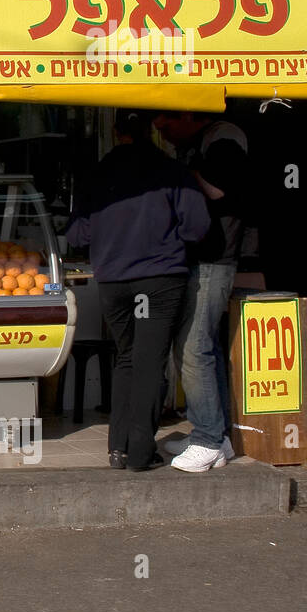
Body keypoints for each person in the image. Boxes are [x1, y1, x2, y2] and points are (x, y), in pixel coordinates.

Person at [66, 110, 210, 471]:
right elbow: (197, 228)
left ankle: (118, 448)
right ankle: (141, 451)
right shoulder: (172, 171)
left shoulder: (96, 174)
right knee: (149, 362)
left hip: (113, 281)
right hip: (160, 280)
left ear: (115, 132)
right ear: (152, 130)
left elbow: (77, 235)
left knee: (126, 357)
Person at [153, 111, 248, 472]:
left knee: (195, 349)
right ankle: (214, 435)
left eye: (168, 125)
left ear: (188, 115)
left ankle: (208, 439)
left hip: (214, 259)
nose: (165, 134)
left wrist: (180, 176)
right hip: (200, 259)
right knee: (201, 347)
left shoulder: (224, 139)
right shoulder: (203, 141)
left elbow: (219, 189)